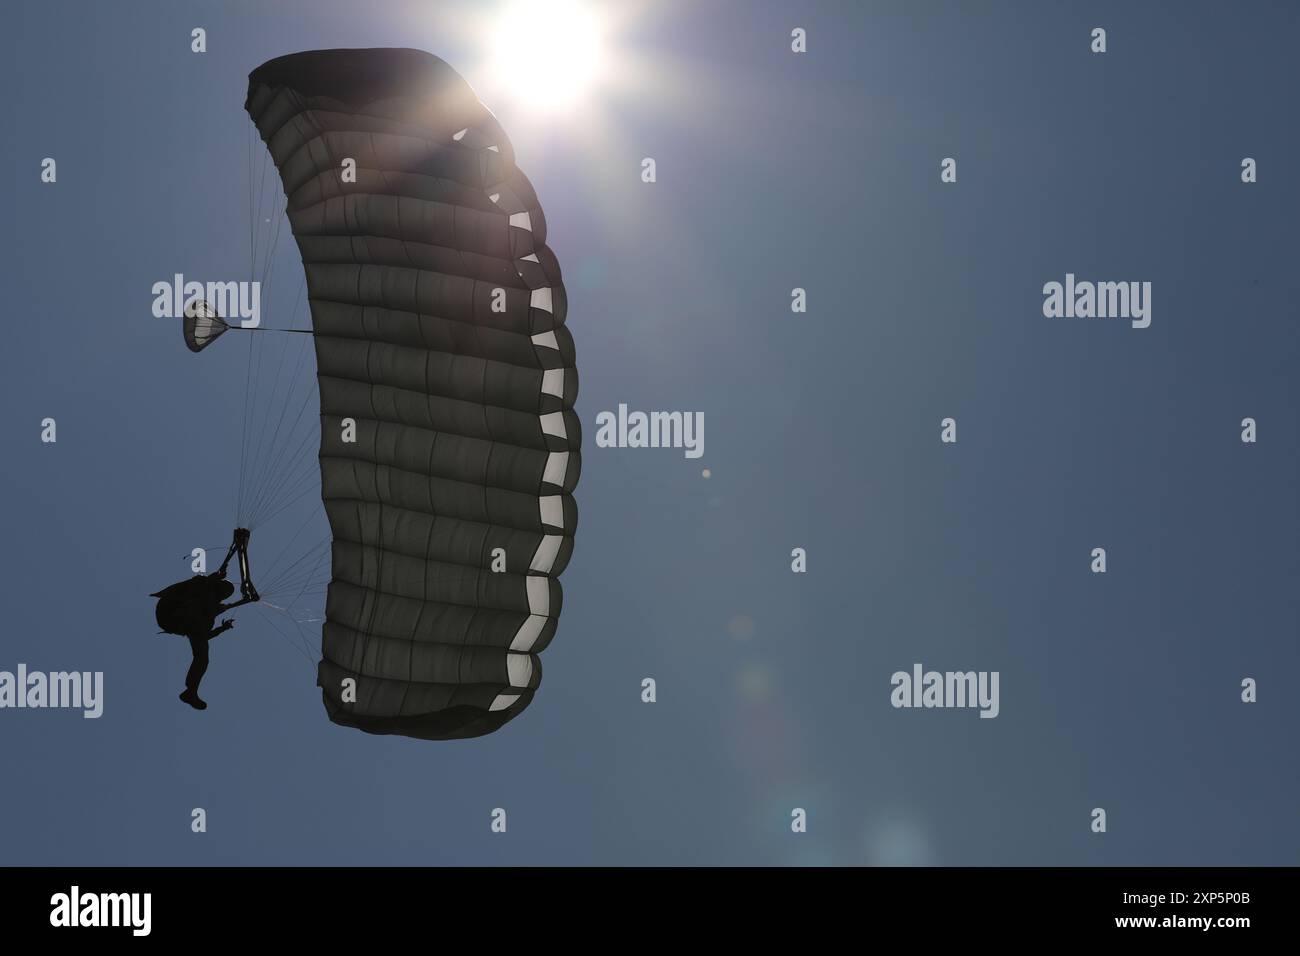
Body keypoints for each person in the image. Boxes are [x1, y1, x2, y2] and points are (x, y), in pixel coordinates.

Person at [150, 529, 258, 710]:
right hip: (172, 609)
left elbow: (204, 635)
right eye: (223, 594)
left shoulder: (209, 609)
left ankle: (190, 691)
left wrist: (222, 628)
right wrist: (216, 577)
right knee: (202, 652)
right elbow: (200, 586)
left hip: (179, 618)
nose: (222, 598)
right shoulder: (204, 590)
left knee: (203, 655)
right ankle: (190, 691)